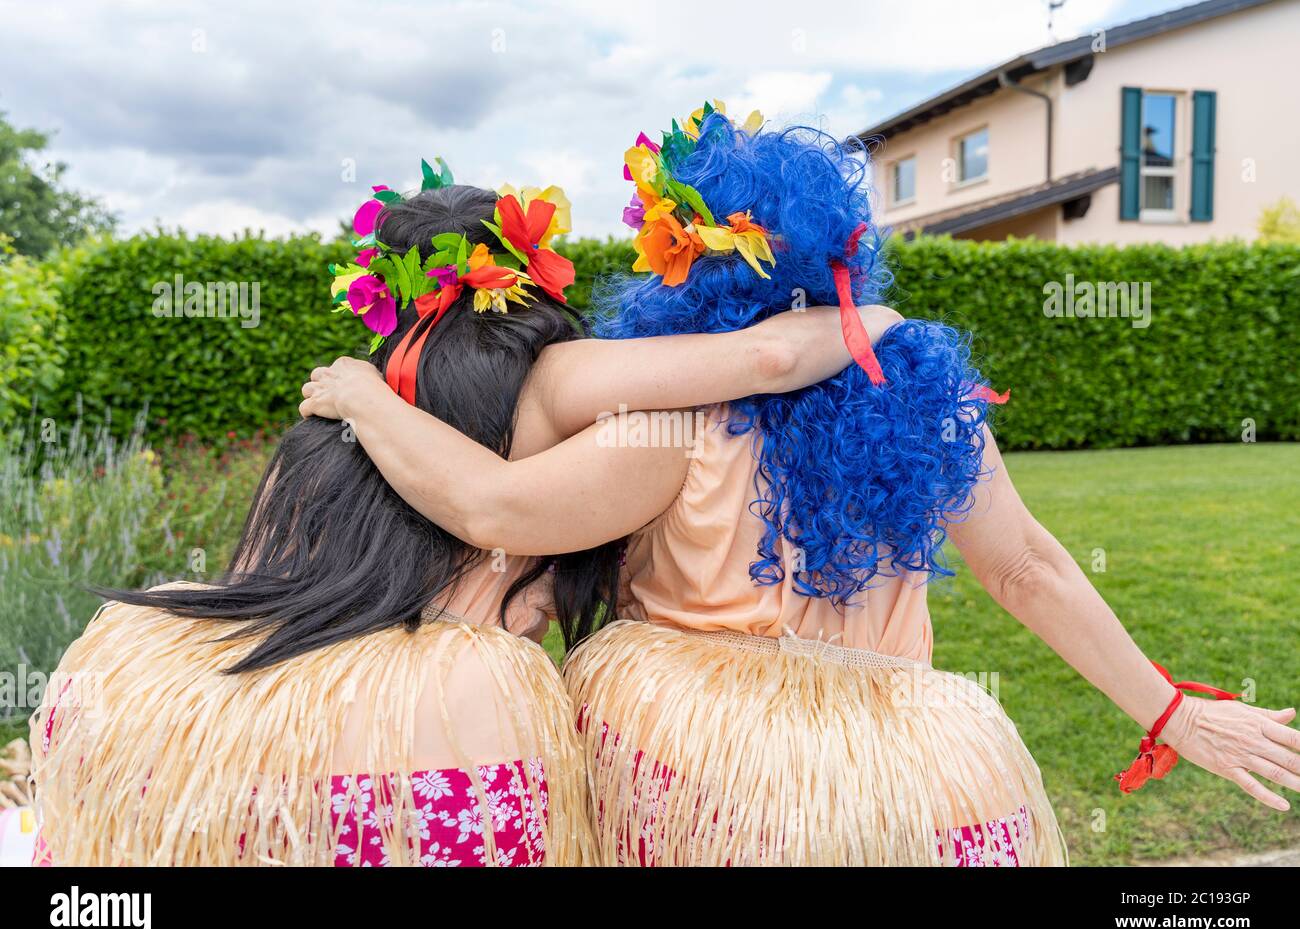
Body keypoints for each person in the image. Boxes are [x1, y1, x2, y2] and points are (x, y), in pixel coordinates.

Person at [300, 109, 1299, 866]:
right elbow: (1028, 568)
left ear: (685, 265)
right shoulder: (925, 394)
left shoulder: (665, 412)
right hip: (923, 778)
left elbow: (499, 511)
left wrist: (369, 399)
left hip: (704, 778)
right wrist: (1172, 710)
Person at [31, 170, 862, 866]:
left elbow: (261, 571)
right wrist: (879, 327)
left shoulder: (336, 408)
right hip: (430, 742)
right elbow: (771, 357)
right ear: (528, 279)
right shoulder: (551, 382)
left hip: (239, 736)